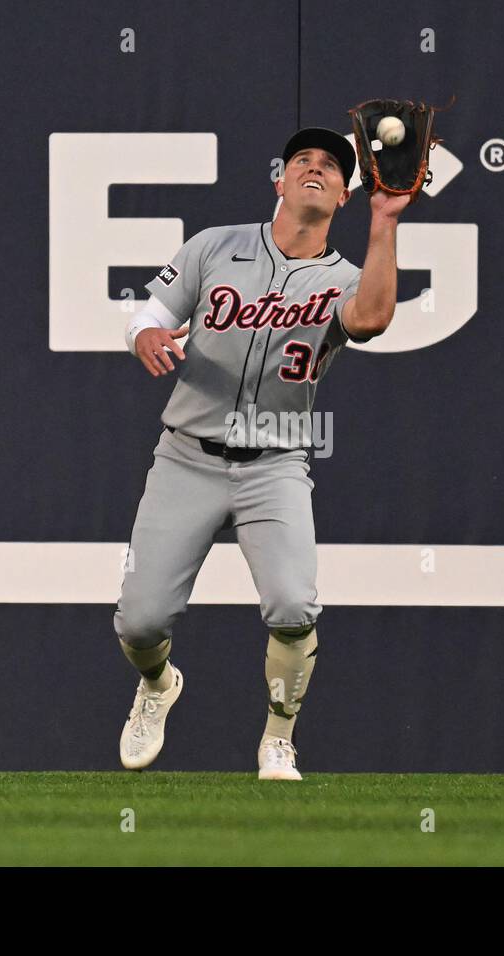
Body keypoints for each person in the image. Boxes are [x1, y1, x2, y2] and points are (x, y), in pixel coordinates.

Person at [114, 126, 409, 780]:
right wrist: (145, 337)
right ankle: (158, 685)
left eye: (330, 166)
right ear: (279, 181)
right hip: (187, 456)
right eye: (302, 159)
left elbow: (372, 320)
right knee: (140, 623)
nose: (314, 167)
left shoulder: (345, 280)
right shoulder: (215, 246)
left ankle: (279, 736)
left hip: (273, 464)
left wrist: (386, 221)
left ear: (342, 195)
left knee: (292, 607)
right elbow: (146, 315)